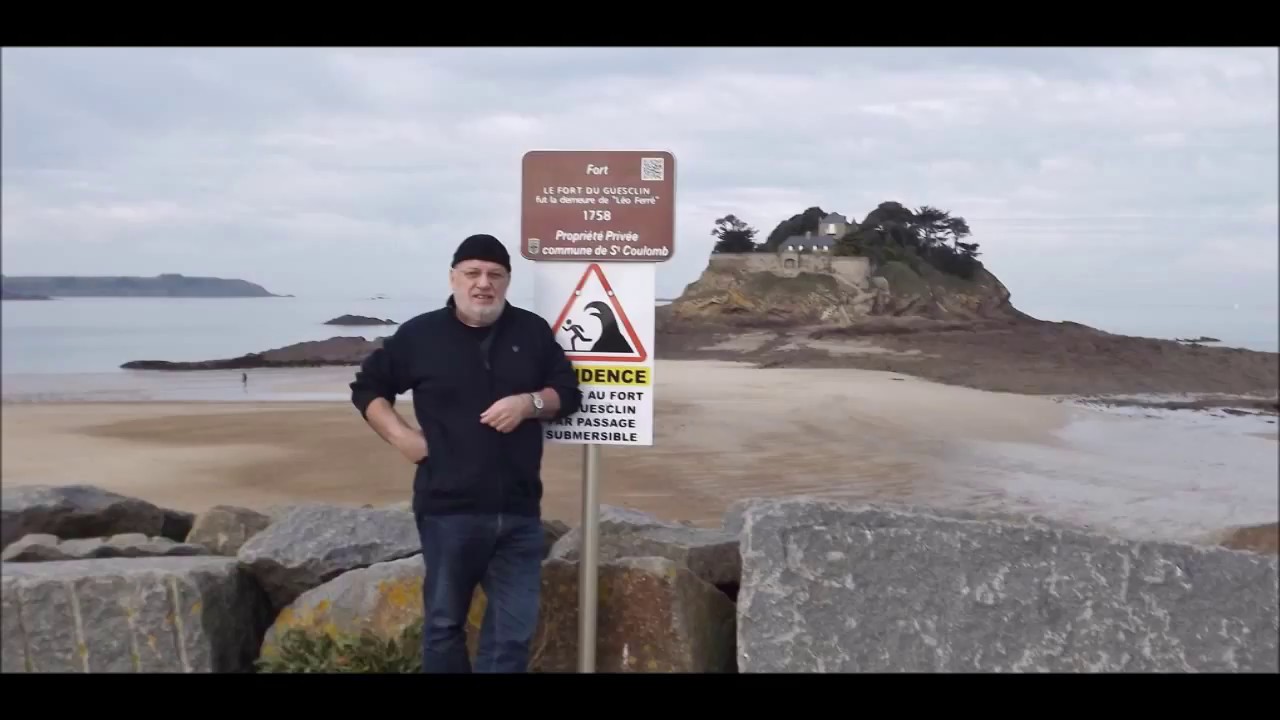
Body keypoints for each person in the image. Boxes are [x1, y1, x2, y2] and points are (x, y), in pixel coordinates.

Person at [348, 233, 581, 673]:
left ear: (508, 281)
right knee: (443, 626)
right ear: (453, 277)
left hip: (519, 512)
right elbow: (368, 388)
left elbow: (567, 394)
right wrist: (402, 438)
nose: (483, 283)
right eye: (472, 273)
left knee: (512, 635)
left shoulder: (530, 330)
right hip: (448, 510)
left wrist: (527, 404)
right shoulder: (420, 334)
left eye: (495, 275)